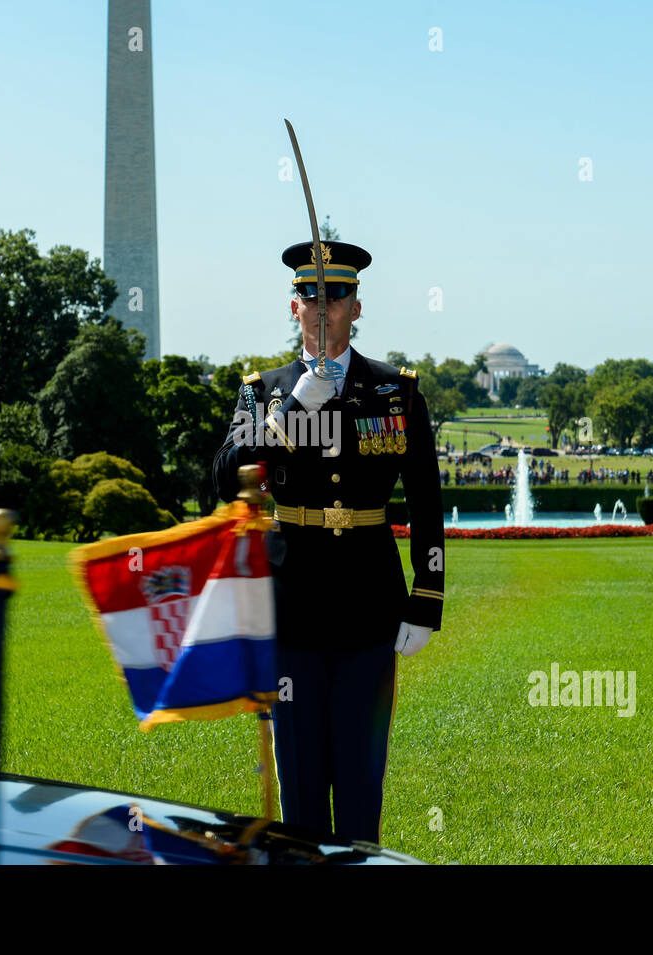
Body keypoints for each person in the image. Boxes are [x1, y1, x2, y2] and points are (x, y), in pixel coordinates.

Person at [211, 240, 444, 843]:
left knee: (362, 781)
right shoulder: (263, 391)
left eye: (335, 295)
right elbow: (222, 471)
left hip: (370, 604)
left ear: (356, 307)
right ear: (293, 308)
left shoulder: (397, 391)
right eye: (309, 295)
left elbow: (425, 500)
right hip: (292, 608)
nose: (321, 307)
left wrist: (428, 597)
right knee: (301, 781)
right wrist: (289, 412)